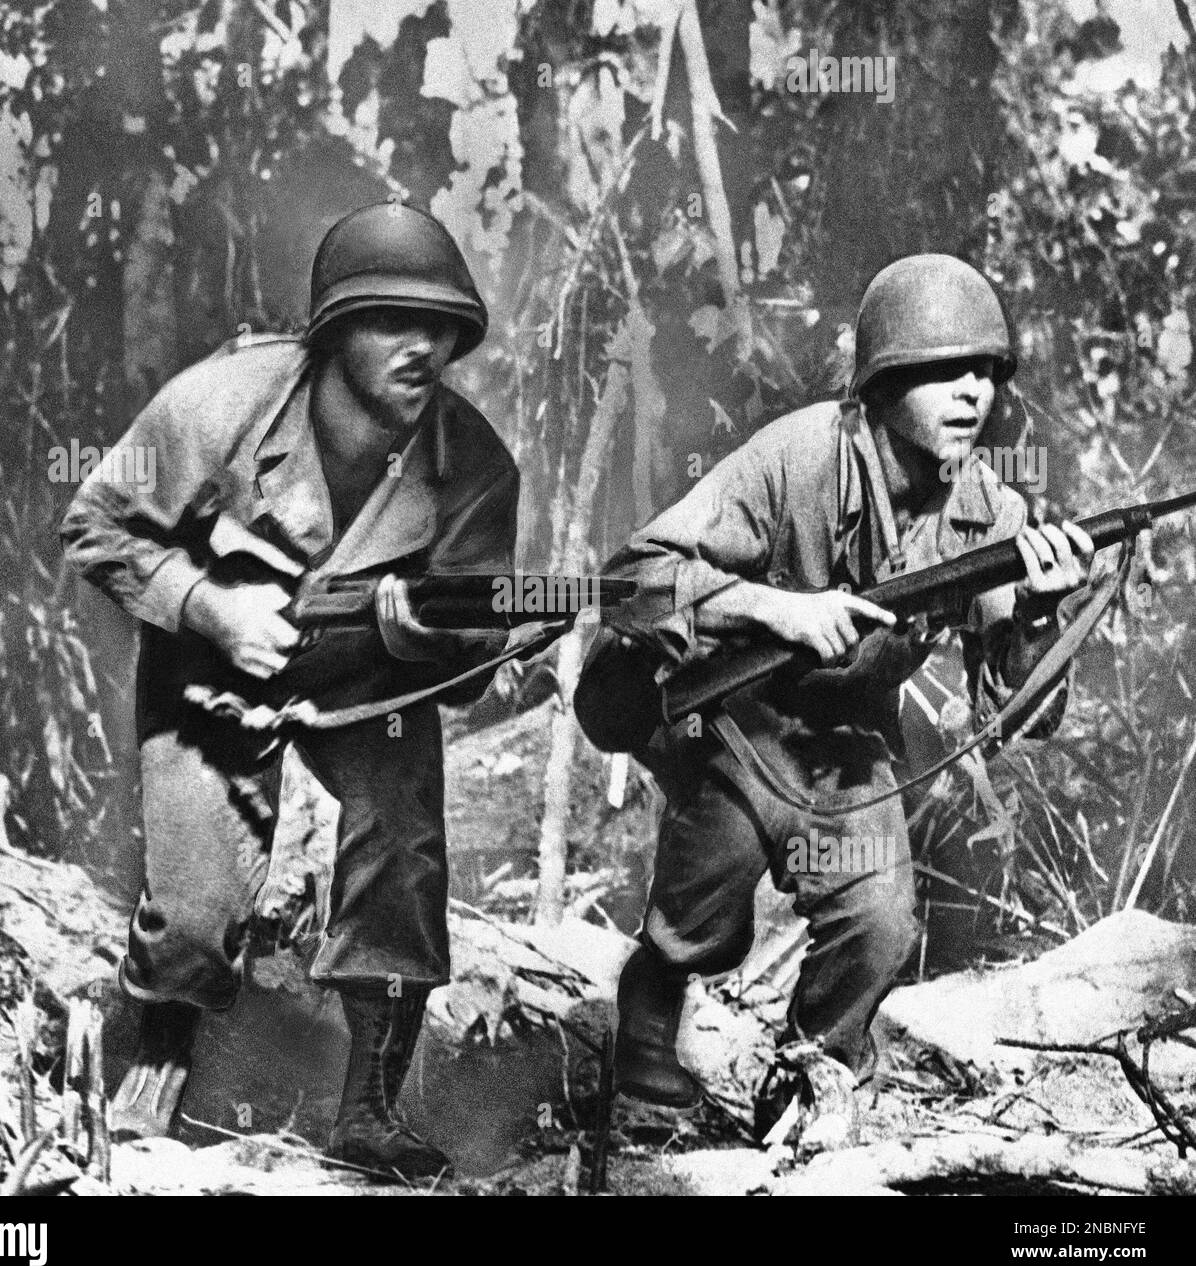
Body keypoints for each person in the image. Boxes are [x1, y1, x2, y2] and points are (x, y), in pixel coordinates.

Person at [60, 202, 518, 1178]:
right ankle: (155, 1067)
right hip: (212, 657)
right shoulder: (218, 404)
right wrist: (208, 607)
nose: (424, 346)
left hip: (367, 674)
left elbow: (477, 651)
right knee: (191, 902)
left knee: (403, 856)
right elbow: (98, 523)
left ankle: (369, 1109)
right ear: (334, 329)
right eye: (395, 319)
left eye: (443, 326)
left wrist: (431, 633)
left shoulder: (471, 461)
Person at [591, 254, 1094, 1134]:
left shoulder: (988, 513)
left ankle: (808, 1074)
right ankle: (648, 1016)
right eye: (943, 371)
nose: (971, 392)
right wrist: (774, 608)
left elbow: (1025, 718)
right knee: (705, 897)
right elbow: (633, 575)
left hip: (850, 744)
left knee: (878, 919)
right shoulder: (797, 457)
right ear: (883, 380)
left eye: (983, 372)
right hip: (739, 721)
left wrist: (1041, 617)